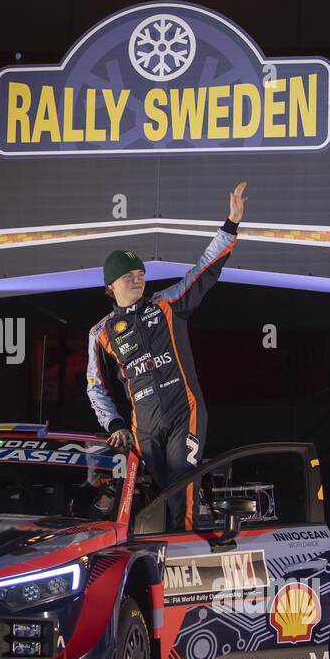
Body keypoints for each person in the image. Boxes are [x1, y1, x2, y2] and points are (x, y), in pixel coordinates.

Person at [86, 182, 247, 531]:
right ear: (110, 286)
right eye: (129, 276)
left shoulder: (166, 304)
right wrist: (114, 425)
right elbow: (96, 387)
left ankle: (185, 553)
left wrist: (230, 224)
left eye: (141, 274)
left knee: (181, 483)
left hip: (182, 410)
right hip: (142, 425)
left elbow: (204, 269)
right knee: (148, 495)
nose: (138, 280)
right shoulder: (100, 333)